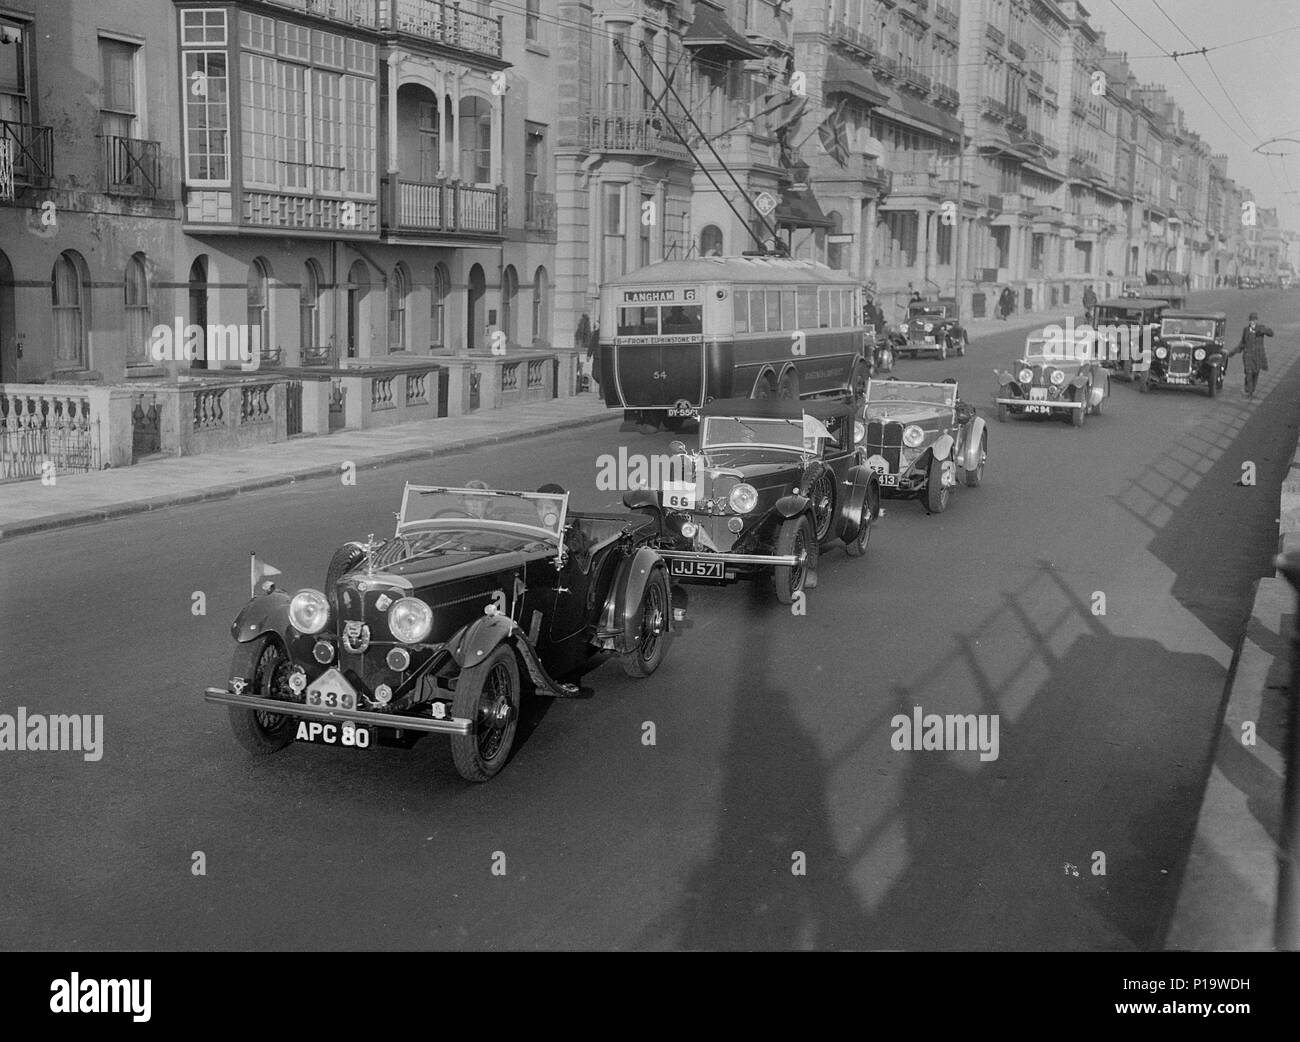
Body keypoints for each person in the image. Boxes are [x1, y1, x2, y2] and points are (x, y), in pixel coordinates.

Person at [1228, 311, 1273, 397]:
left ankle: (1252, 388)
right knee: (1248, 372)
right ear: (1249, 321)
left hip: (1258, 355)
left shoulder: (1261, 328)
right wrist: (1232, 353)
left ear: (1256, 321)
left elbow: (1271, 333)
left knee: (1255, 373)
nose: (1253, 322)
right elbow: (1242, 343)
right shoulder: (1245, 330)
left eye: (1254, 320)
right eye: (1251, 320)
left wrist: (1263, 331)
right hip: (1248, 355)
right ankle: (1249, 390)